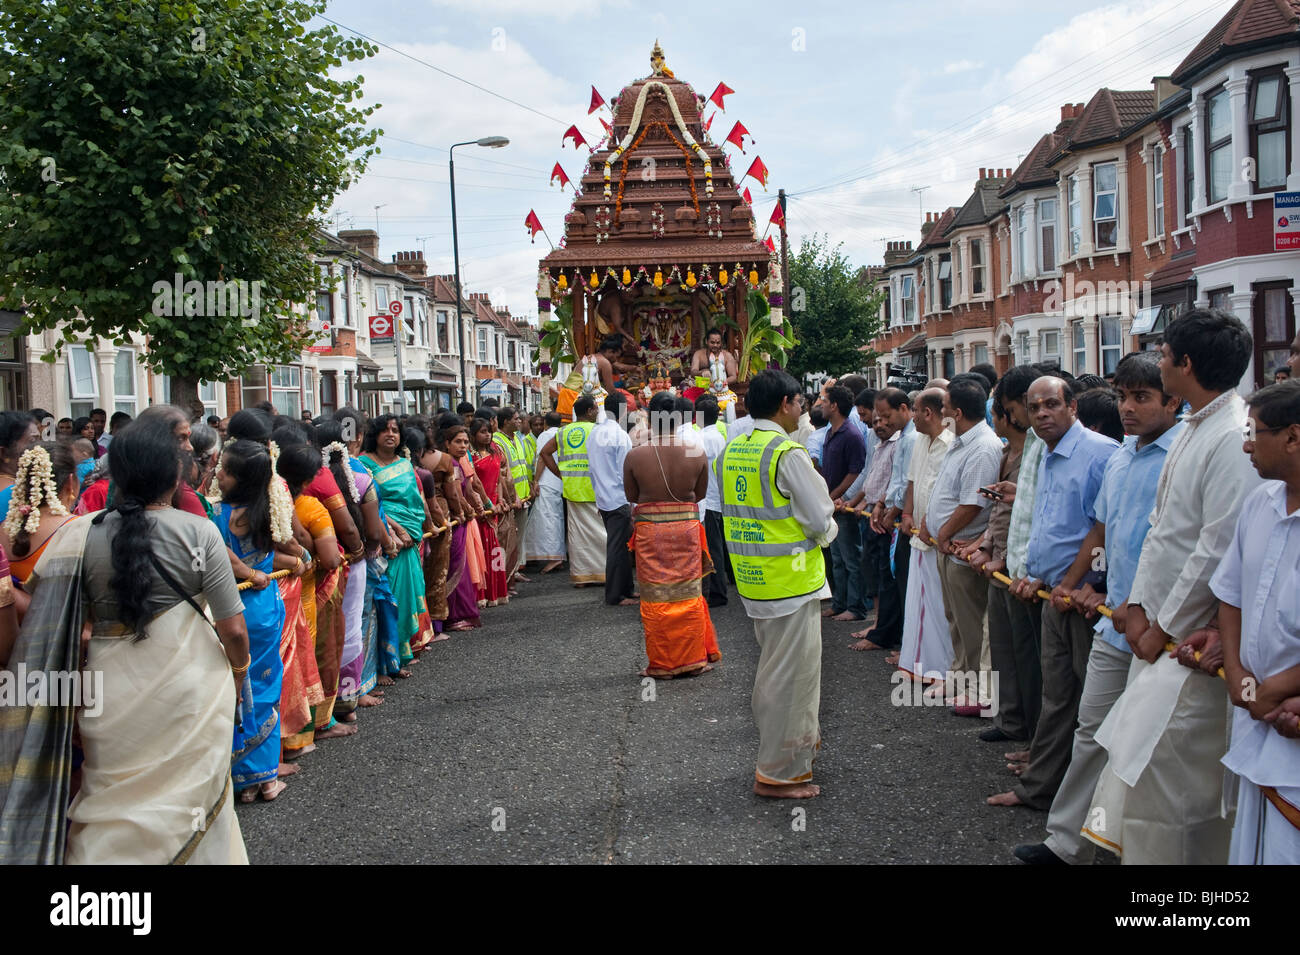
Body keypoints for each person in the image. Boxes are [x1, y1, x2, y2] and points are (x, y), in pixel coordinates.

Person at [0, 419, 251, 863]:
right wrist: (239, 669)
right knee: (196, 796)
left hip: (108, 689)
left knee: (110, 797)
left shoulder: (78, 533)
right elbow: (233, 629)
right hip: (192, 687)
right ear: (175, 474)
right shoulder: (200, 533)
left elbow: (40, 602)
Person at [1085, 308, 1260, 864]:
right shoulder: (1197, 425)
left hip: (1184, 643)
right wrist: (1137, 603)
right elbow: (1164, 532)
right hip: (1156, 631)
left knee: (1176, 788)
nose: (1158, 362)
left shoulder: (1231, 436)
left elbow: (1215, 547)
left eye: (1163, 355)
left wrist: (1162, 623)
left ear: (1184, 364)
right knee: (1143, 779)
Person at [1015, 351, 1182, 864]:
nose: (1128, 408)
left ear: (1173, 401)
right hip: (1114, 622)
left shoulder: (1176, 455)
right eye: (1124, 397)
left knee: (1151, 746)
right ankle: (1068, 844)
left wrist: (1099, 588)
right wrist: (1074, 583)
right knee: (1093, 731)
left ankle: (1132, 847)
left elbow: (1183, 544)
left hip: (1161, 625)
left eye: (1142, 397)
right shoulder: (1125, 456)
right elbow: (1101, 530)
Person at [987, 375, 1117, 809]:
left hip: (1082, 600)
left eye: (1051, 405)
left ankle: (1090, 803)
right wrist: (1041, 577)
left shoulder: (1101, 455)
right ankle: (1042, 789)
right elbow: (1047, 519)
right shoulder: (1044, 452)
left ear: (1072, 407)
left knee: (1088, 703)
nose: (1041, 413)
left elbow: (1105, 531)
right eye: (1034, 406)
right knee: (1058, 696)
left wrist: (1088, 584)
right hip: (1052, 595)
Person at [720, 369, 836, 798]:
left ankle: (795, 752)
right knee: (791, 680)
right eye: (800, 403)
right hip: (790, 580)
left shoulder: (735, 449)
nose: (803, 410)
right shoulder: (786, 452)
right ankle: (780, 772)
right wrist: (826, 536)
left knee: (776, 672)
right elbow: (819, 517)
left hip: (755, 581)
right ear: (786, 404)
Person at [1213, 379, 1300, 864]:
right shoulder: (1259, 503)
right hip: (1255, 711)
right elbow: (1231, 595)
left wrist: (1279, 686)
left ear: (1293, 436)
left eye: (1255, 433)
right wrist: (1239, 672)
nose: (1246, 445)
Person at [215, 439, 290, 803]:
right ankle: (266, 778)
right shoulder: (269, 511)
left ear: (241, 479)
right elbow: (287, 549)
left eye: (225, 470)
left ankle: (242, 777)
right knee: (264, 688)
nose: (218, 474)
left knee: (235, 689)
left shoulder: (219, 516)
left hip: (228, 607)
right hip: (263, 607)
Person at [624, 391, 718, 678]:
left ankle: (664, 663)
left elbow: (633, 496)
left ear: (649, 419)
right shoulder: (696, 453)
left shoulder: (636, 455)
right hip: (686, 529)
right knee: (688, 593)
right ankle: (693, 658)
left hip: (651, 532)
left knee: (656, 597)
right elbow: (699, 495)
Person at [924, 374, 1003, 710]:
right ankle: (959, 677)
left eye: (943, 408)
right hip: (950, 547)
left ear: (955, 412)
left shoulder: (984, 447)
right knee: (955, 617)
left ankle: (976, 688)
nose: (940, 413)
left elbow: (975, 502)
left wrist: (943, 532)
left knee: (971, 623)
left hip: (962, 547)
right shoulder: (961, 441)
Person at [968, 366, 1037, 744]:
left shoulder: (1035, 453)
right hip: (1000, 562)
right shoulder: (1009, 451)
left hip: (1019, 566)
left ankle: (1027, 728)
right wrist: (986, 547)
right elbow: (998, 510)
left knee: (1026, 656)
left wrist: (1001, 556)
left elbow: (1027, 514)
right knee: (1003, 649)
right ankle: (1010, 718)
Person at [360, 415, 436, 657]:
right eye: (384, 430)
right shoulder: (364, 463)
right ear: (375, 435)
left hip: (410, 539)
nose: (390, 434)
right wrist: (396, 530)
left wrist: (413, 528)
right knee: (387, 596)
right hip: (387, 537)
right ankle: (388, 656)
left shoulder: (404, 463)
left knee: (411, 590)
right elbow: (374, 506)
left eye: (395, 430)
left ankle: (407, 646)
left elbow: (416, 500)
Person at [896, 387, 954, 682]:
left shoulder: (953, 442)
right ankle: (921, 665)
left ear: (928, 413)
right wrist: (907, 514)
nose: (912, 415)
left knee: (941, 609)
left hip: (942, 539)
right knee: (920, 604)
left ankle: (943, 671)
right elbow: (912, 481)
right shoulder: (918, 440)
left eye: (915, 410)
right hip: (919, 536)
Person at [847, 388, 912, 651]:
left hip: (892, 519)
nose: (881, 424)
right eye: (877, 419)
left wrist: (890, 510)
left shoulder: (908, 440)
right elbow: (871, 477)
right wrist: (866, 504)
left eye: (885, 418)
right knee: (879, 576)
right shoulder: (881, 441)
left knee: (892, 581)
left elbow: (906, 482)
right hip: (880, 513)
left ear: (905, 409)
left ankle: (892, 636)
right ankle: (882, 628)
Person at [540, 396, 606, 587]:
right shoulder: (598, 431)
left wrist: (561, 475)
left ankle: (581, 577)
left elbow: (545, 453)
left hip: (572, 489)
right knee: (601, 534)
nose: (597, 412)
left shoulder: (563, 432)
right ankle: (603, 573)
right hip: (596, 489)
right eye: (595, 408)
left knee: (577, 537)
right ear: (589, 411)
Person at [818, 384, 867, 622]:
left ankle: (855, 607)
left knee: (850, 559)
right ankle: (840, 602)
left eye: (824, 401)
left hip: (843, 505)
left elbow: (856, 471)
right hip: (832, 505)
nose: (821, 405)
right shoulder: (831, 432)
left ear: (835, 405)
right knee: (836, 558)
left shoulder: (851, 434)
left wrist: (836, 495)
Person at [589, 391, 636, 606]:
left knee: (622, 546)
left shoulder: (595, 434)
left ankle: (626, 589)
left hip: (605, 498)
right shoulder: (620, 436)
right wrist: (632, 502)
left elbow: (593, 470)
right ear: (623, 411)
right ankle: (616, 595)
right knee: (618, 547)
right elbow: (625, 473)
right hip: (619, 498)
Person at [440, 418, 484, 632]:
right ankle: (454, 615)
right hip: (455, 520)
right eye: (458, 442)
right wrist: (467, 512)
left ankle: (461, 611)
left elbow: (467, 490)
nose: (463, 446)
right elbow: (455, 494)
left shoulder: (458, 462)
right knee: (456, 566)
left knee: (463, 565)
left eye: (466, 442)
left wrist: (478, 505)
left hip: (463, 518)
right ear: (447, 443)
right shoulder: (449, 463)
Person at [689, 393, 729, 607]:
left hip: (709, 498)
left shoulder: (701, 437)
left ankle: (717, 592)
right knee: (718, 545)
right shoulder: (718, 435)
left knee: (713, 547)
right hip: (717, 496)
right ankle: (719, 589)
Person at [469, 417, 510, 607]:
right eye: (482, 432)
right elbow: (473, 483)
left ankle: (498, 591)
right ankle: (482, 594)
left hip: (494, 505)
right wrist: (485, 504)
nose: (487, 435)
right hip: (480, 508)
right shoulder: (471, 455)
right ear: (474, 434)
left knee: (496, 549)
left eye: (488, 432)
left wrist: (501, 499)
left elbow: (499, 479)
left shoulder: (495, 450)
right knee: (482, 550)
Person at [493, 406, 533, 585]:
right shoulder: (497, 440)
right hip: (510, 498)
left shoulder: (517, 438)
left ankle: (515, 570)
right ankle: (505, 575)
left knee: (519, 537)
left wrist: (530, 486)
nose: (519, 421)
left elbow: (522, 465)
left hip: (522, 496)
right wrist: (513, 496)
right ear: (506, 421)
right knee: (507, 538)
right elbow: (503, 473)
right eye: (516, 419)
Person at [527, 411, 566, 573]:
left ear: (545, 423)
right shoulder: (564, 433)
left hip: (547, 482)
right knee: (556, 519)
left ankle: (555, 557)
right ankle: (557, 556)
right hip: (560, 482)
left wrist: (536, 480)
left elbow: (542, 458)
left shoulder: (544, 436)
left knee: (549, 521)